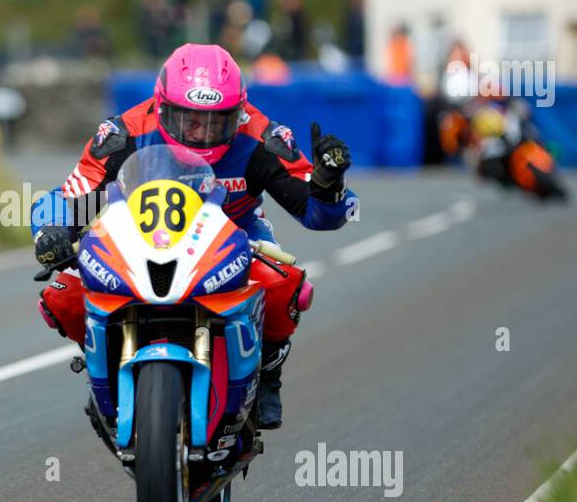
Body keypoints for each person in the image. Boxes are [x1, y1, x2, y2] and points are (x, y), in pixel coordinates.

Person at [30, 43, 356, 430]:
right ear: (162, 107)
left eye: (216, 122)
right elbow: (65, 196)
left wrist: (327, 186)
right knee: (63, 296)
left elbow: (319, 215)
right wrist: (50, 229)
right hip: (138, 237)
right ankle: (105, 363)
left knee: (285, 285)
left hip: (234, 234)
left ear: (238, 115)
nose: (201, 133)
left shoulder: (263, 137)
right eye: (188, 120)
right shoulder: (124, 133)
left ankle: (268, 372)